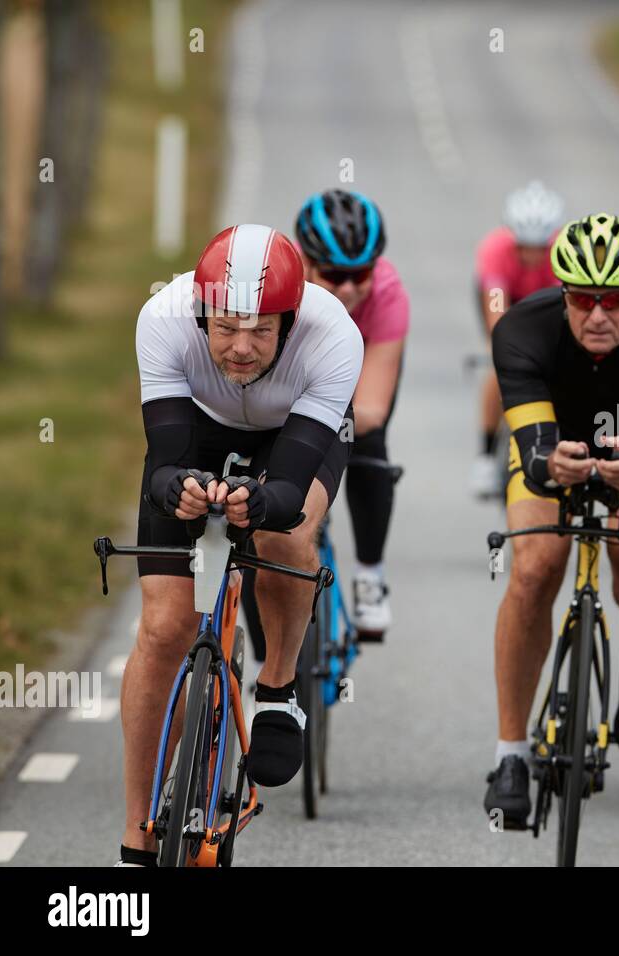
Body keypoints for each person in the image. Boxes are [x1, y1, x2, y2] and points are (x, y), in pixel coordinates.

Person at [119, 224, 362, 866]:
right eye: (226, 327)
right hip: (198, 427)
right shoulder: (164, 318)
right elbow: (166, 463)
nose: (241, 348)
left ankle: (278, 685)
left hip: (296, 431)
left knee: (289, 532)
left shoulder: (333, 334)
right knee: (164, 627)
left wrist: (259, 501)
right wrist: (183, 490)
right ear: (201, 311)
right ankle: (135, 837)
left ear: (290, 317)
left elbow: (287, 488)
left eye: (261, 331)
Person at [483, 213, 619, 828]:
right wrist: (553, 463)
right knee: (534, 569)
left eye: (613, 300)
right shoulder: (522, 329)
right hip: (554, 439)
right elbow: (534, 453)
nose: (597, 315)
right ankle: (510, 756)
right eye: (582, 299)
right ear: (562, 295)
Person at [295, 189, 408, 637]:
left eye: (360, 273)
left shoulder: (386, 292)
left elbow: (373, 409)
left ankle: (370, 577)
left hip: (360, 381)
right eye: (334, 275)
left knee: (367, 443)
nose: (348, 288)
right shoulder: (280, 283)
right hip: (298, 378)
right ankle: (268, 661)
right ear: (305, 263)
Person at [471, 180, 564, 497]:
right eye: (525, 246)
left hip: (546, 305)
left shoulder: (562, 253)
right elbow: (496, 306)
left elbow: (564, 312)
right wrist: (506, 345)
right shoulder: (495, 250)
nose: (533, 254)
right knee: (498, 361)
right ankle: (485, 454)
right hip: (505, 299)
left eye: (540, 247)